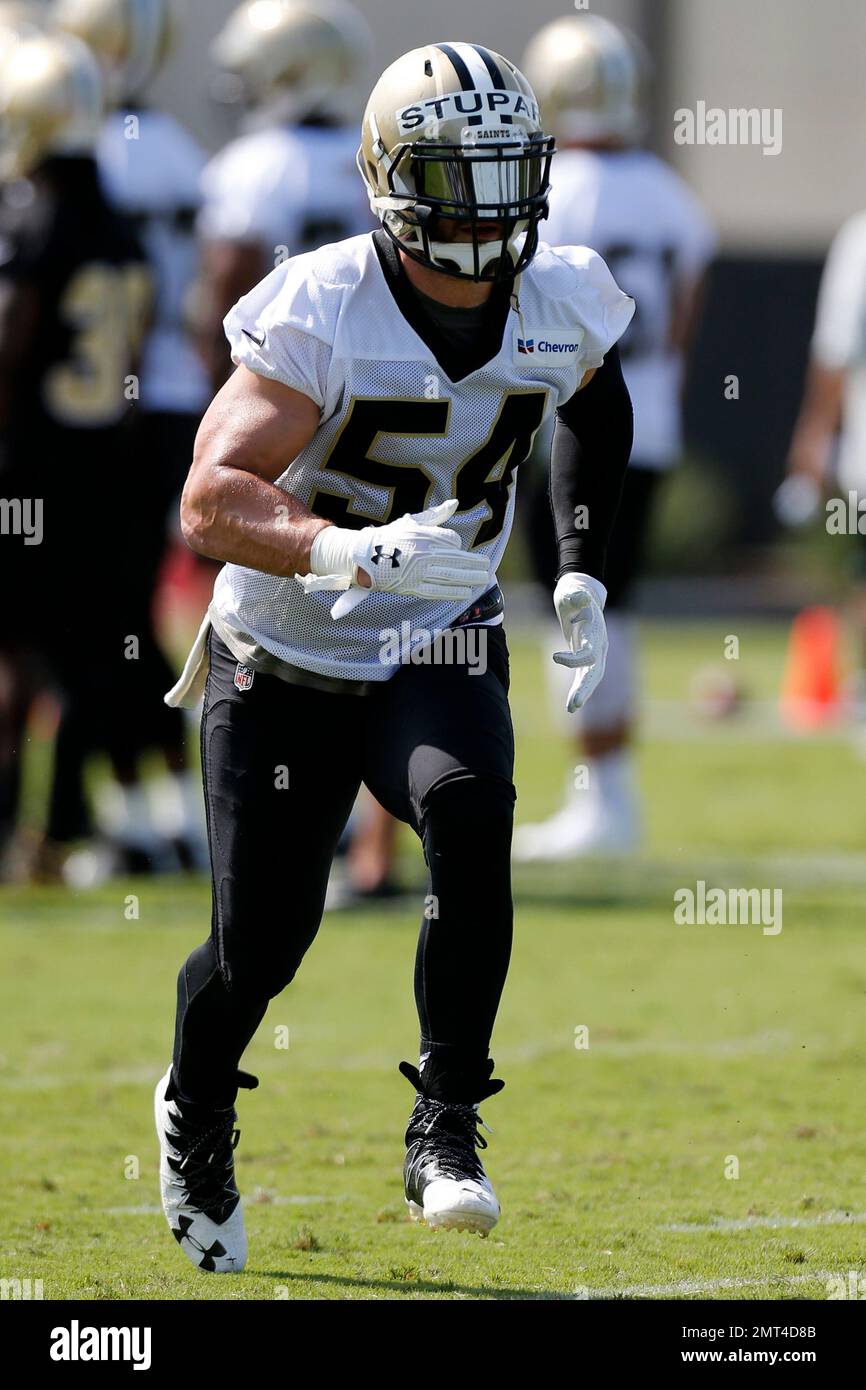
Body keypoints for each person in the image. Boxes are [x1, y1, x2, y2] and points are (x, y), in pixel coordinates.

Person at [154, 41, 635, 1273]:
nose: (481, 210)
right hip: (286, 650)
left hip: (441, 626)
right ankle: (195, 1110)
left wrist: (578, 562)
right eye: (450, 178)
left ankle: (448, 1118)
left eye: (499, 175)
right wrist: (338, 551)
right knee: (261, 945)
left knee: (469, 814)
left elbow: (591, 396)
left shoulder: (559, 291)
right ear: (387, 177)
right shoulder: (321, 304)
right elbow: (209, 499)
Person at [514, 13, 715, 860]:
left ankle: (601, 796)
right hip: (653, 420)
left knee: (572, 601)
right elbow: (677, 334)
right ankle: (610, 793)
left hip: (575, 422)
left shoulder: (558, 191)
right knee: (612, 604)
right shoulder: (674, 194)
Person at [53, 0, 209, 872]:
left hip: (105, 413)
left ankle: (141, 818)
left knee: (103, 618)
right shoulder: (182, 150)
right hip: (184, 399)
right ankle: (161, 807)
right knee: (128, 615)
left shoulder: (93, 155)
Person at [0, 29, 153, 876]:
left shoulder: (31, 216)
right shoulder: (120, 227)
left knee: (18, 656)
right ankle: (58, 830)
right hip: (100, 471)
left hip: (27, 471)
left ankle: (19, 832)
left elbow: (11, 346)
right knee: (86, 650)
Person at [196, 0, 374, 393]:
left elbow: (230, 275)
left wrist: (211, 388)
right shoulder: (372, 155)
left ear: (291, 73)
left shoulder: (255, 163)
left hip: (280, 375)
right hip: (368, 368)